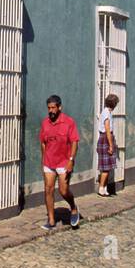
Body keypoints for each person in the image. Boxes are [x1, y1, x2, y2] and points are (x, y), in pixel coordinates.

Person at [40, 95, 81, 230]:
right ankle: (51, 220)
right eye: (49, 108)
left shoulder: (69, 122)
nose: (51, 110)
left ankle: (73, 208)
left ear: (59, 107)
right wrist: (44, 159)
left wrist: (71, 160)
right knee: (48, 189)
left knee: (63, 191)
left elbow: (74, 141)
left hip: (64, 162)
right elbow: (43, 142)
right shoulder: (45, 123)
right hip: (49, 162)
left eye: (53, 108)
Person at [96, 94, 119, 196]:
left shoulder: (107, 112)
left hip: (105, 137)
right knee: (105, 167)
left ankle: (104, 188)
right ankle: (101, 188)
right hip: (106, 138)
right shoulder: (106, 113)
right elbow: (107, 129)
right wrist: (110, 145)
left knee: (108, 166)